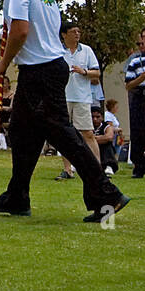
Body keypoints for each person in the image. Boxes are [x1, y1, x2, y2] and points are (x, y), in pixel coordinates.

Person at [0, 0, 129, 222]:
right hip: (49, 66)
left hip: (40, 71)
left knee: (64, 135)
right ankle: (17, 196)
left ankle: (106, 194)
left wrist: (3, 62)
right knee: (24, 135)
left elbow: (21, 31)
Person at [58, 21, 101, 180]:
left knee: (88, 133)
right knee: (64, 134)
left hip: (82, 97)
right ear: (64, 34)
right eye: (73, 31)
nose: (77, 34)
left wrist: (84, 71)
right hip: (61, 97)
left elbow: (97, 73)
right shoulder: (57, 50)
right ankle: (68, 169)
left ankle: (97, 168)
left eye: (78, 31)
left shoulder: (87, 51)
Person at [123, 26, 145, 179]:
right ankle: (139, 166)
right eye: (143, 37)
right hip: (140, 96)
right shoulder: (136, 60)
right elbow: (128, 84)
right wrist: (141, 78)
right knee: (138, 132)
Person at [91, 106, 118, 177]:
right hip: (90, 150)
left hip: (103, 152)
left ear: (102, 118)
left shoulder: (107, 126)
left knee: (107, 145)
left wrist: (92, 139)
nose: (95, 119)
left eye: (97, 117)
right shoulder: (86, 127)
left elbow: (109, 137)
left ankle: (109, 166)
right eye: (92, 117)